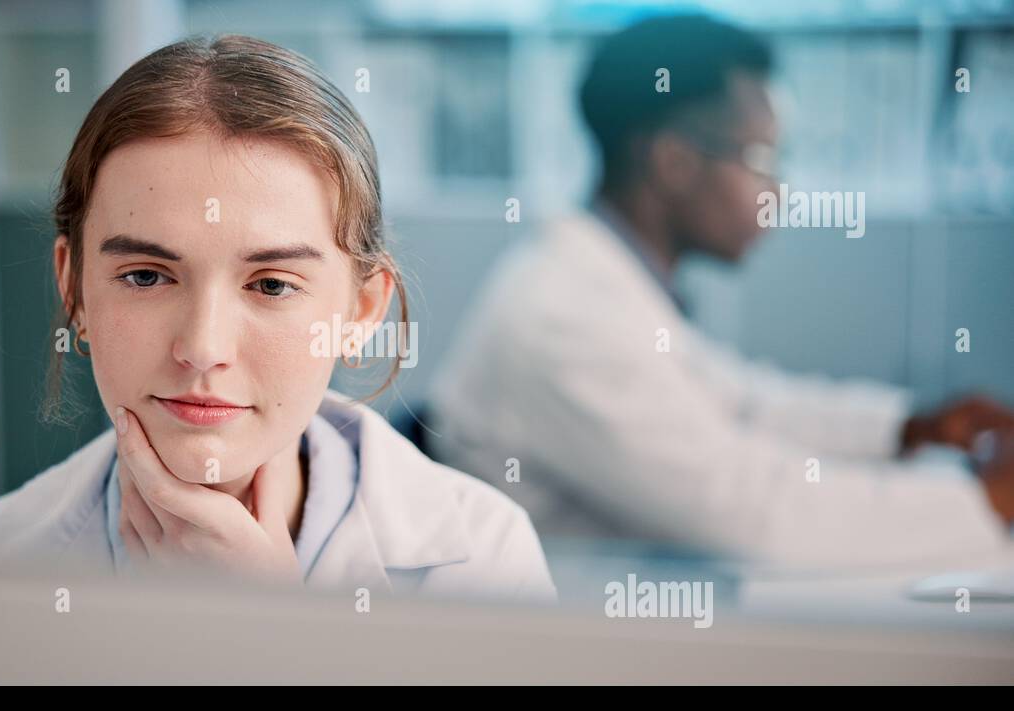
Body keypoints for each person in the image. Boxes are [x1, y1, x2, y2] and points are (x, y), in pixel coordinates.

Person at [0, 35, 556, 603]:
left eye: (271, 284)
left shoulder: (484, 561)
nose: (203, 347)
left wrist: (277, 634)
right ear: (73, 289)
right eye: (146, 276)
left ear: (361, 310)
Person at [428, 14, 1014, 568]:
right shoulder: (561, 315)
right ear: (673, 160)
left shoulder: (610, 284)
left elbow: (746, 406)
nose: (778, 191)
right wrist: (986, 503)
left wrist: (908, 428)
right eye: (762, 159)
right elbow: (755, 514)